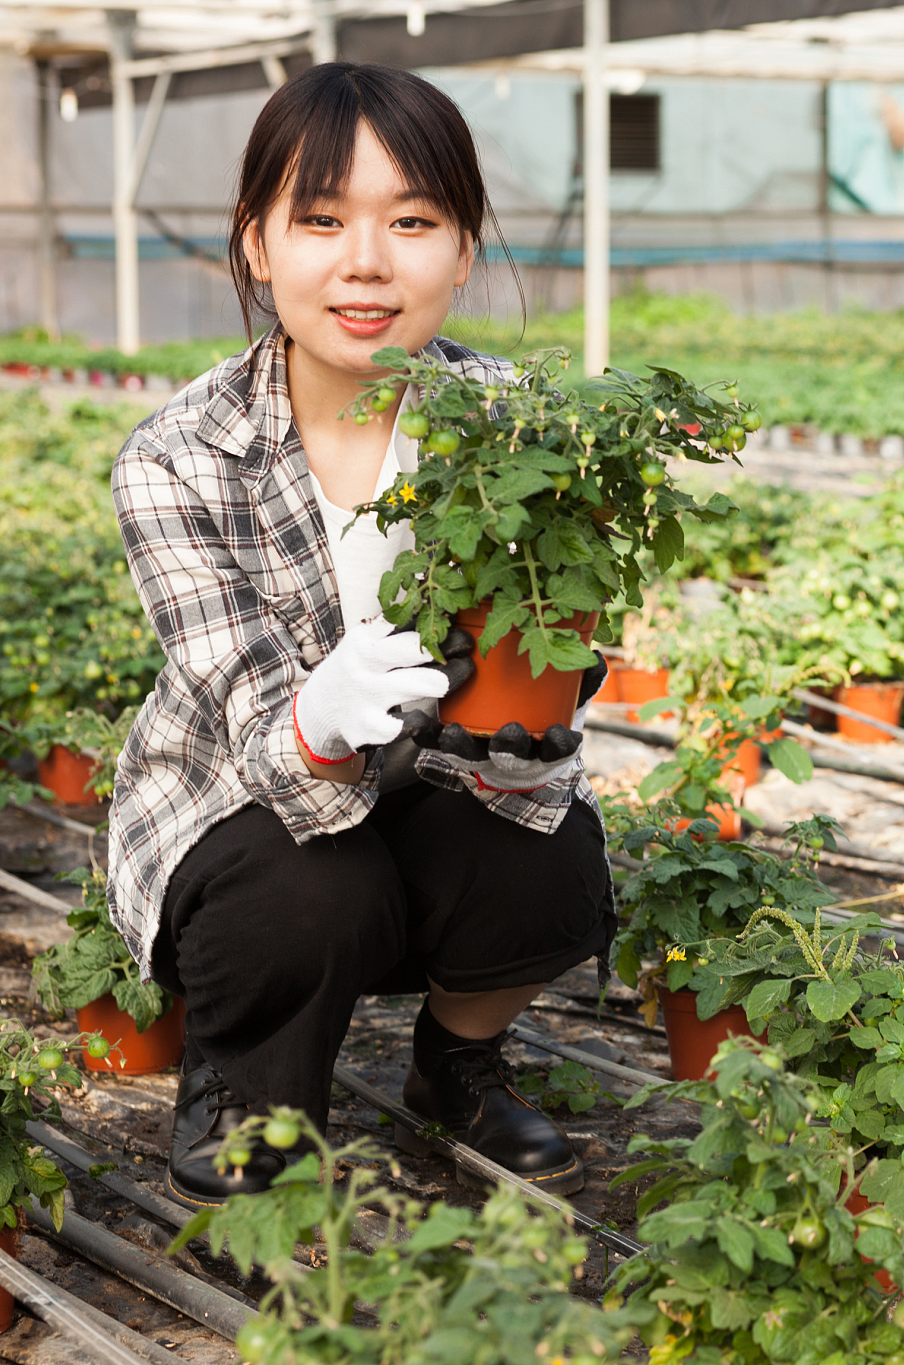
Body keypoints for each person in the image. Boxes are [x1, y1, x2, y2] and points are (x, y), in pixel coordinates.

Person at [107, 62, 612, 1208]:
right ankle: (246, 1091)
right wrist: (315, 716)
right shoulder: (181, 456)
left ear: (464, 249)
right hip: (240, 808)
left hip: (437, 786)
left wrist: (541, 712)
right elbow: (244, 714)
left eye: (413, 220)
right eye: (320, 218)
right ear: (255, 244)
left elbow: (561, 635)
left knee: (551, 854)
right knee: (307, 888)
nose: (367, 261)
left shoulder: (520, 434)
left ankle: (457, 1062)